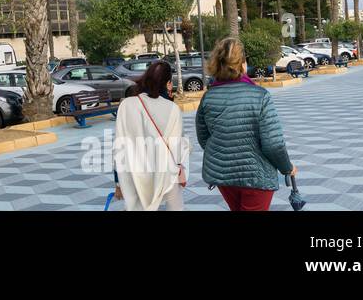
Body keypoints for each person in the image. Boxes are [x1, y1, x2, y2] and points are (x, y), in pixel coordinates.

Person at [196, 37, 296, 211]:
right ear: (242, 64)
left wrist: (225, 154)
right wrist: (287, 168)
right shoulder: (260, 96)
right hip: (256, 175)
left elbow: (204, 138)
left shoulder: (208, 97)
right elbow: (273, 144)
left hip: (224, 175)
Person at [113, 61, 189, 211]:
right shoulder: (172, 109)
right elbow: (177, 148)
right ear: (168, 83)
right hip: (166, 172)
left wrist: (118, 182)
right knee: (175, 207)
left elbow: (119, 147)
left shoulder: (127, 105)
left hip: (135, 173)